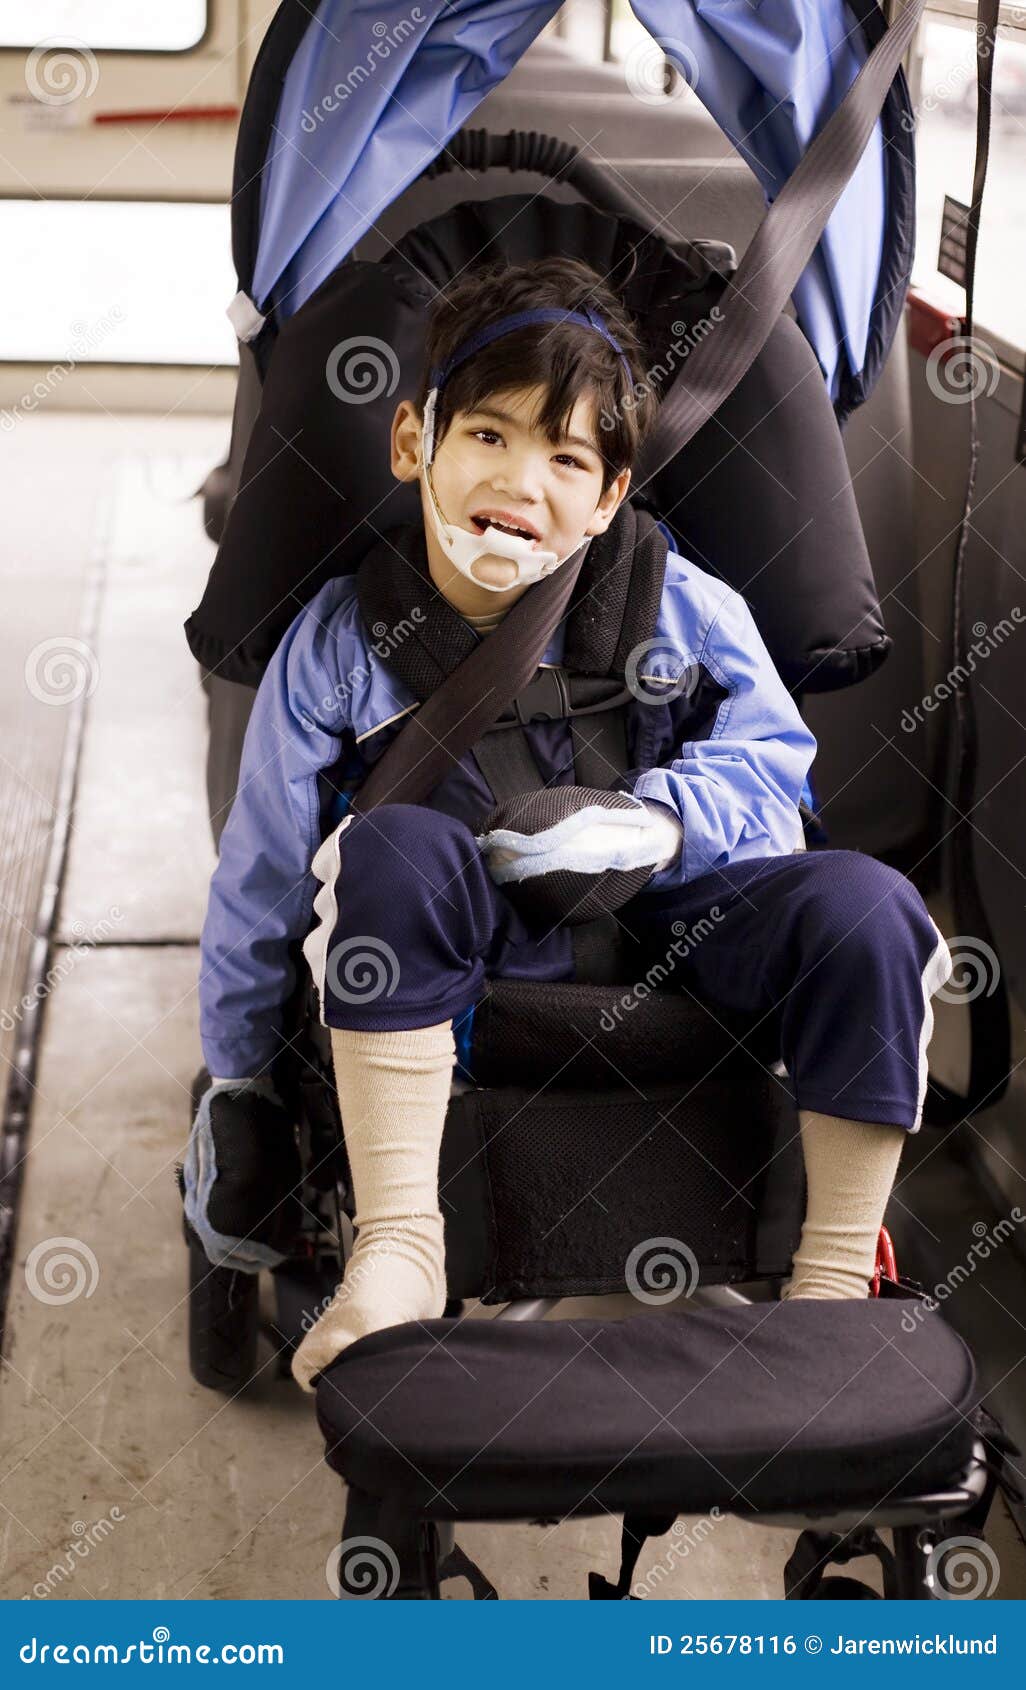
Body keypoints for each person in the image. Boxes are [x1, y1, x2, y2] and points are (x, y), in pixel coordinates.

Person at [183, 255, 954, 1394]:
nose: (521, 480)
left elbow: (773, 769)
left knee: (867, 907)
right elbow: (259, 881)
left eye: (566, 457)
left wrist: (657, 825)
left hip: (680, 947)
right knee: (391, 849)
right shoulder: (344, 646)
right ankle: (400, 1247)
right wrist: (239, 1081)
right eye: (488, 434)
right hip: (452, 979)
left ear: (608, 496)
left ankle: (835, 1280)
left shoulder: (682, 607)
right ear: (414, 442)